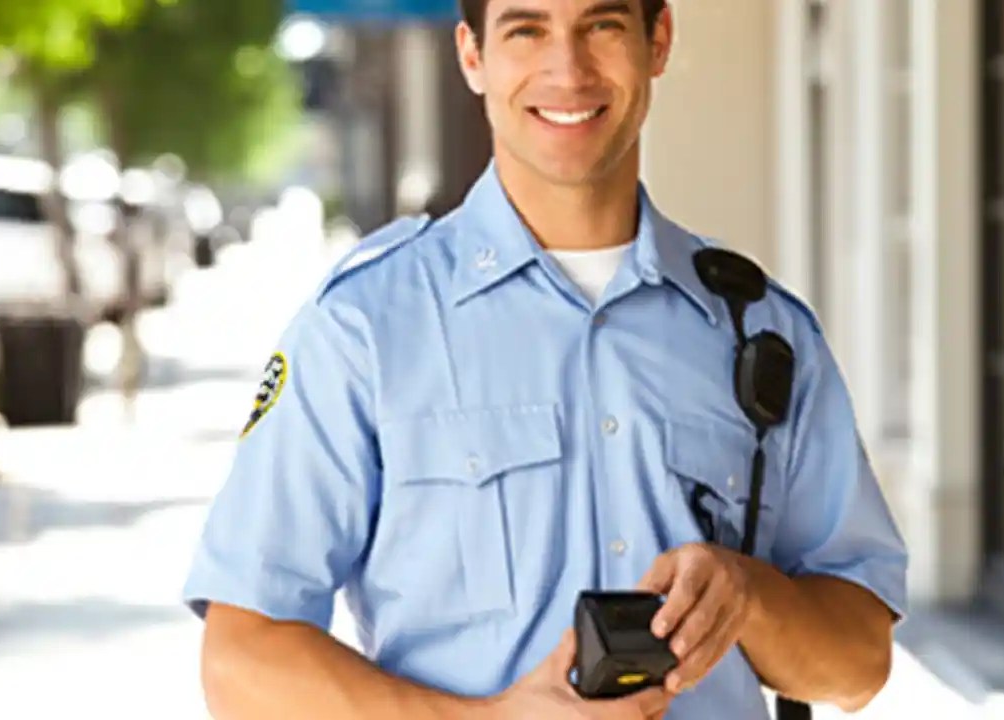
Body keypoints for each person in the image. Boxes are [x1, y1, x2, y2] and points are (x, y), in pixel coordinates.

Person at [182, 0, 908, 718]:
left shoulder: (761, 331)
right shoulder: (365, 326)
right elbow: (241, 659)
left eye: (603, 26)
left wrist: (748, 596)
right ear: (473, 56)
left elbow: (859, 666)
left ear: (658, 42)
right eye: (527, 29)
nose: (568, 68)